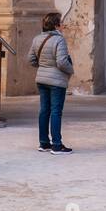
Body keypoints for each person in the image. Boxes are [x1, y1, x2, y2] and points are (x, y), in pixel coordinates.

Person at [28, 12, 74, 153]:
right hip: (57, 81)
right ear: (56, 25)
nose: (63, 25)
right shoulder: (59, 40)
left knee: (44, 111)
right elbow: (62, 62)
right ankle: (57, 145)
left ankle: (44, 143)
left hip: (42, 79)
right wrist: (71, 70)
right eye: (61, 23)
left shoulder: (37, 39)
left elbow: (31, 60)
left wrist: (44, 67)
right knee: (56, 112)